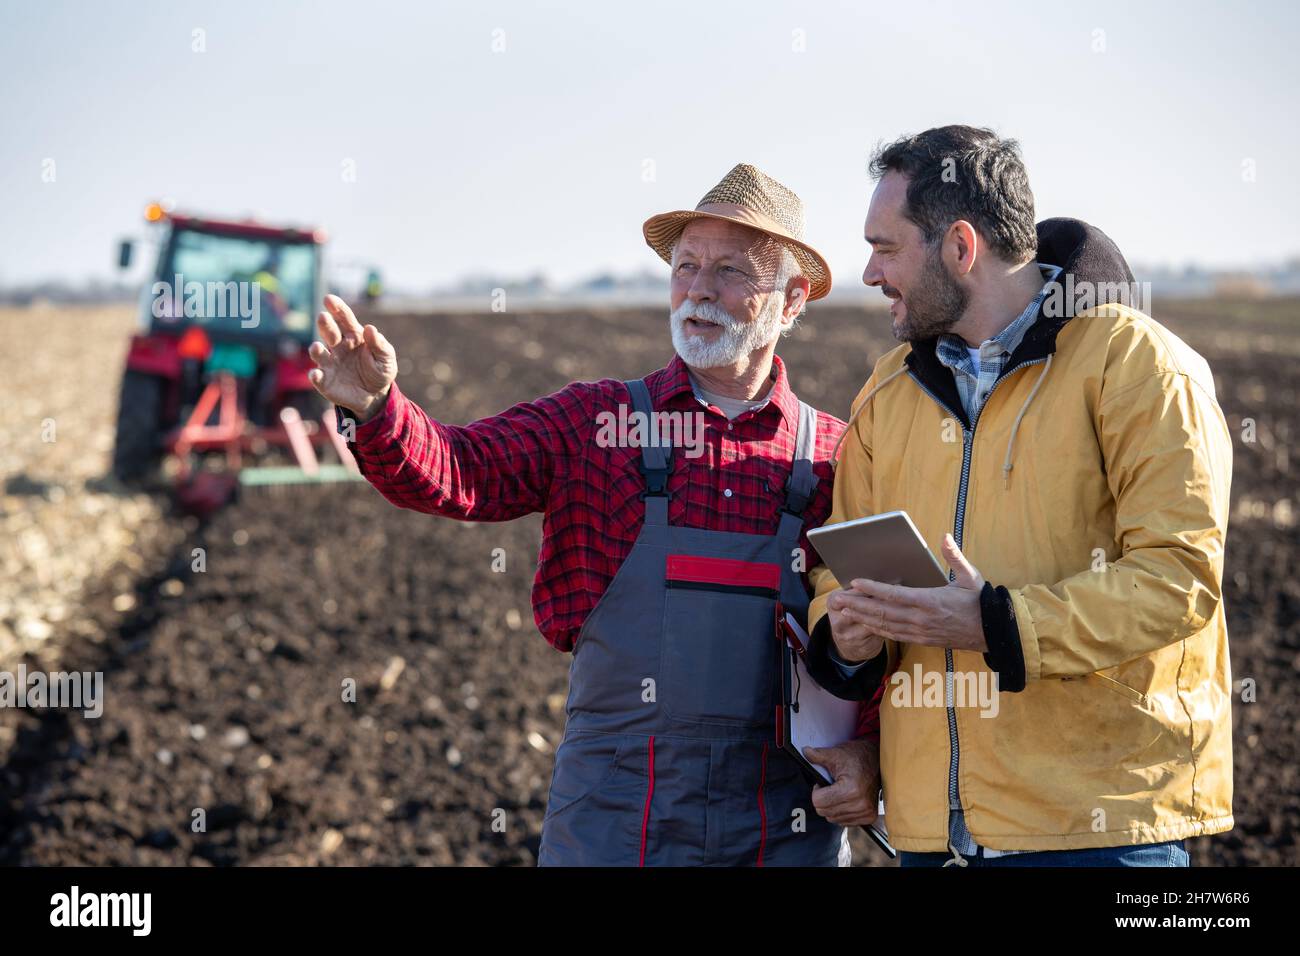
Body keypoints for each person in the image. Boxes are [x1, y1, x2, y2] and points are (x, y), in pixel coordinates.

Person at [308, 164, 883, 866]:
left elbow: (888, 629)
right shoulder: (597, 422)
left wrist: (870, 751)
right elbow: (461, 472)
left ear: (792, 301)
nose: (699, 287)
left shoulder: (838, 457)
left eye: (731, 271)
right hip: (616, 819)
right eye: (687, 265)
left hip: (781, 826)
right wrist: (376, 411)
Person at [806, 126, 1234, 867]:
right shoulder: (885, 392)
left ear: (960, 248)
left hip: (1095, 833)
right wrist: (844, 636)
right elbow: (837, 571)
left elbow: (1178, 578)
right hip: (931, 841)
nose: (870, 273)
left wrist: (999, 623)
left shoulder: (1139, 367)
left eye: (885, 247)